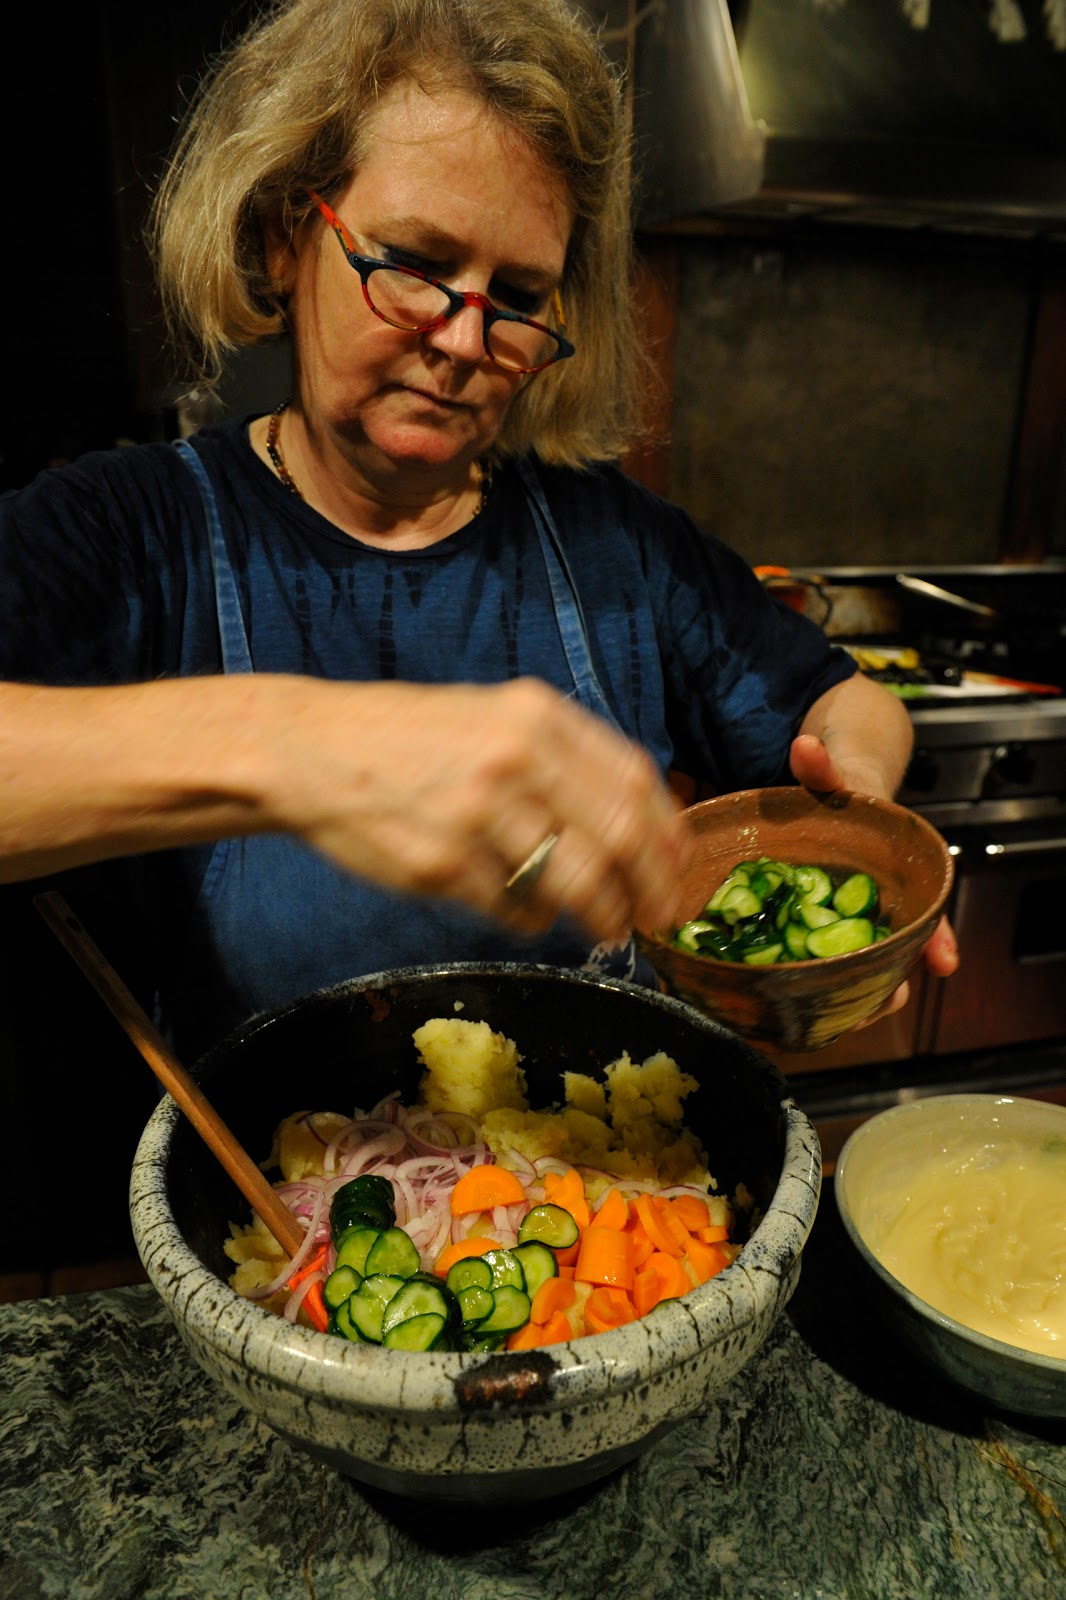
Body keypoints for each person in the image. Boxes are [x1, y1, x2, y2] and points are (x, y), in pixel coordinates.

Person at [0, 0, 955, 1059]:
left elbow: (844, 698)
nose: (463, 337)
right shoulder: (131, 533)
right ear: (284, 239)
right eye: (412, 261)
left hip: (606, 1198)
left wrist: (867, 828)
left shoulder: (617, 549)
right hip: (283, 1209)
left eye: (516, 291)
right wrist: (298, 747)